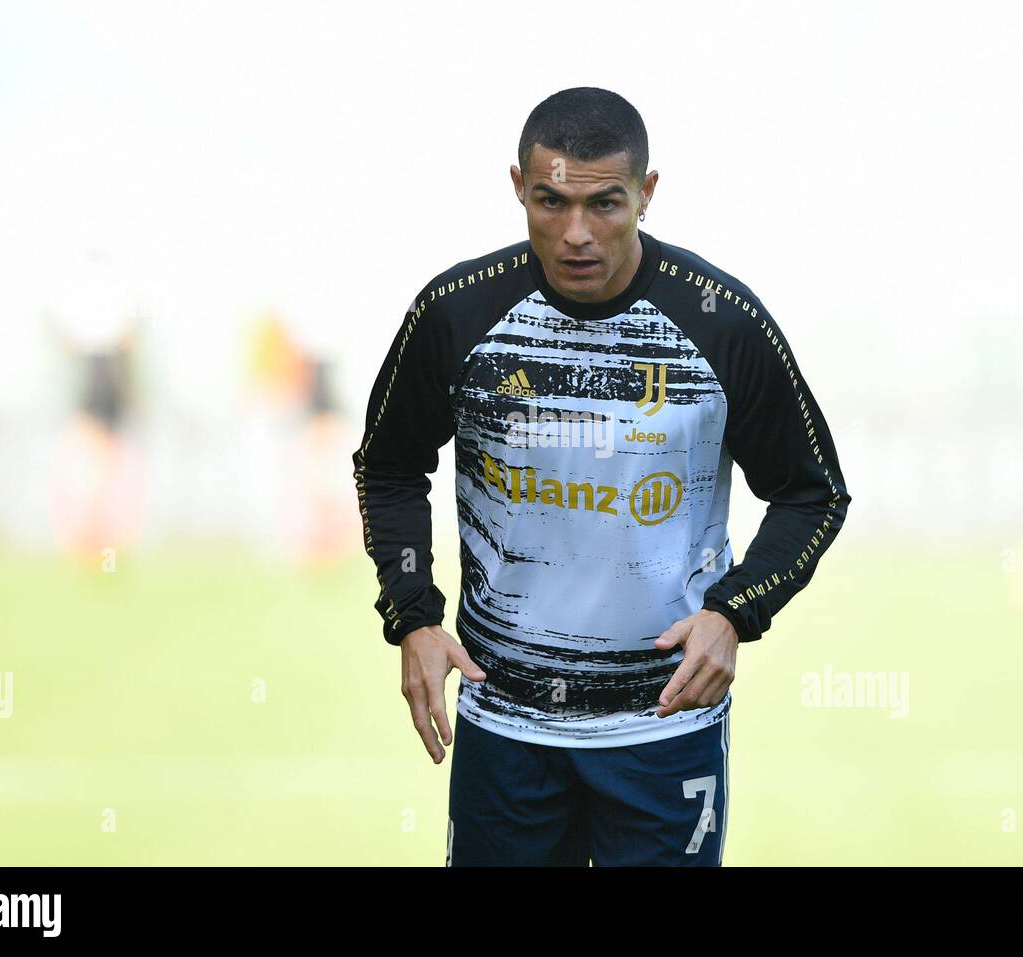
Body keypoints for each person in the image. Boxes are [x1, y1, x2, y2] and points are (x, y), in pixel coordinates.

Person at [352, 87, 851, 866]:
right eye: (550, 202)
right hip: (506, 730)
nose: (577, 233)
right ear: (517, 185)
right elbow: (387, 464)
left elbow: (813, 491)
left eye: (606, 204)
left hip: (663, 730)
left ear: (647, 193)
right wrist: (413, 614)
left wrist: (735, 612)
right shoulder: (455, 312)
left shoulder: (721, 321)